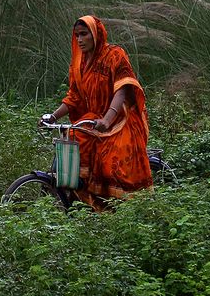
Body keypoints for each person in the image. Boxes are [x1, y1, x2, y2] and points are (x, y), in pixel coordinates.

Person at [41, 15, 152, 208]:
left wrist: (108, 120)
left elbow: (123, 89)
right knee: (74, 138)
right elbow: (74, 96)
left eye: (84, 34)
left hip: (119, 119)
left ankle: (123, 208)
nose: (80, 40)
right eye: (77, 35)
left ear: (96, 34)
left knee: (110, 163)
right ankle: (84, 199)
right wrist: (52, 116)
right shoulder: (79, 63)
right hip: (95, 118)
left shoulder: (115, 55)